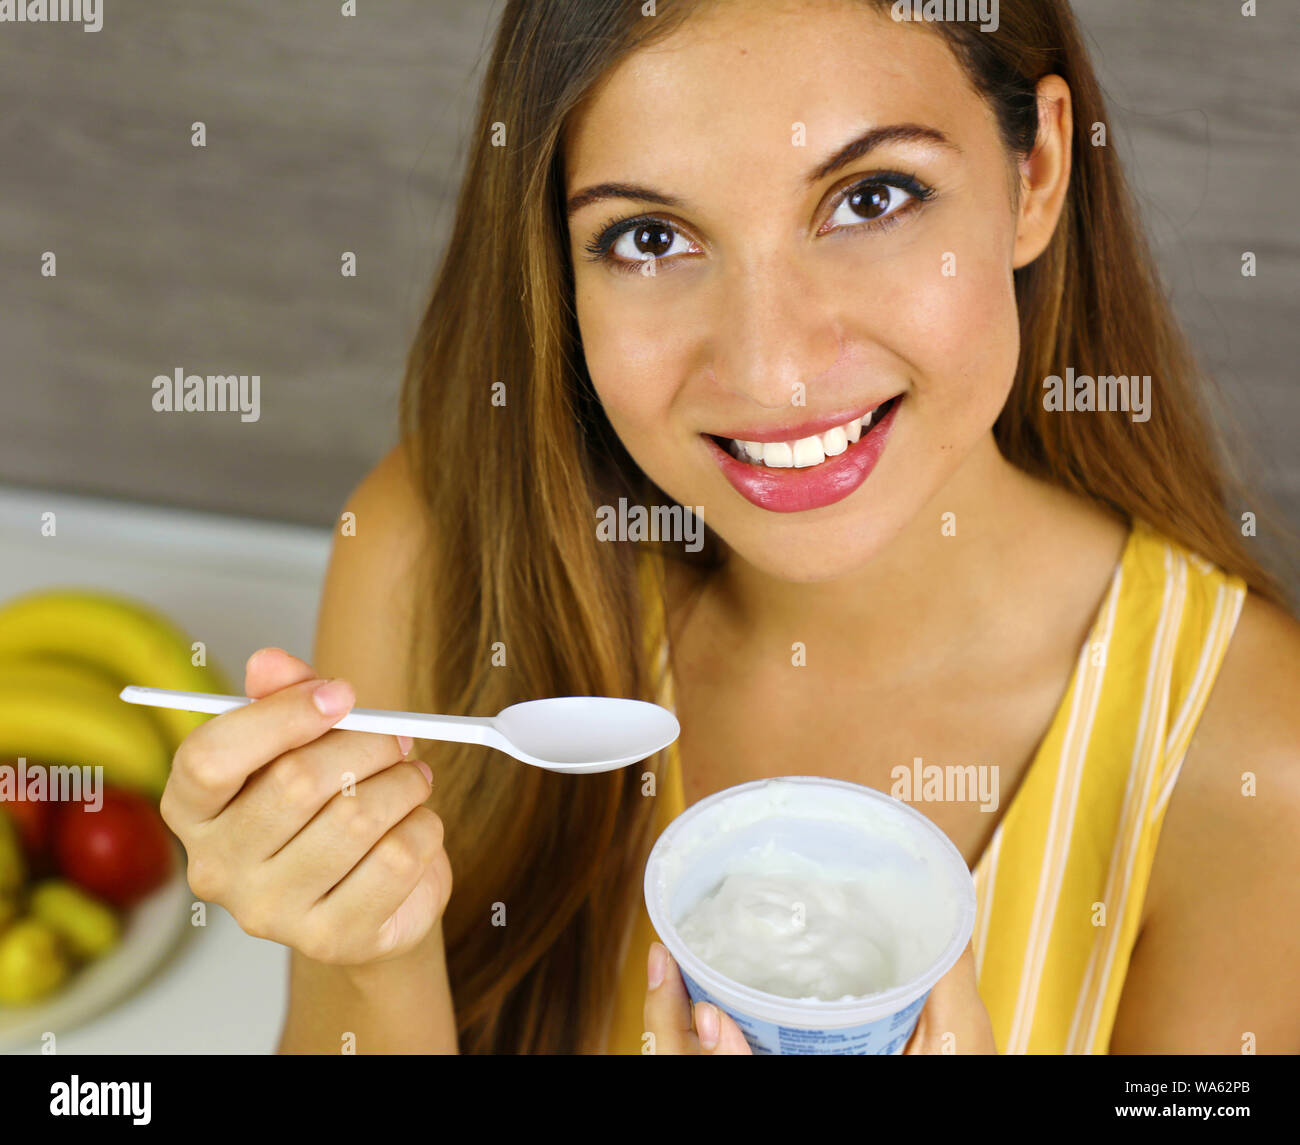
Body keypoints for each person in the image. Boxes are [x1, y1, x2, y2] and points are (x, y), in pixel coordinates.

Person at [160, 0, 1300, 1055]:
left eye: (870, 198)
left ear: (1036, 171)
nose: (771, 368)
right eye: (652, 237)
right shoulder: (438, 555)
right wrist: (368, 951)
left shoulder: (1247, 760)